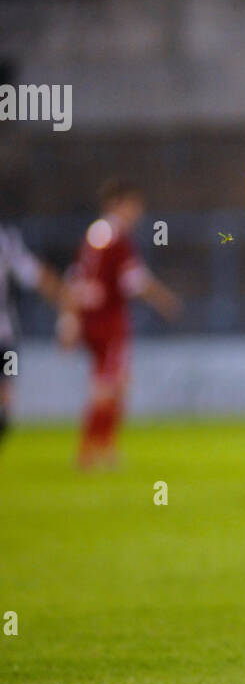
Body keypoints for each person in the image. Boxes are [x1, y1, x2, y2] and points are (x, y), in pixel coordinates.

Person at [60, 180, 181, 468]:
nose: (137, 212)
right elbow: (135, 281)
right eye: (133, 205)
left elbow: (75, 277)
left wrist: (70, 317)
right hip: (108, 320)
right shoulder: (116, 238)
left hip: (91, 317)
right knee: (110, 383)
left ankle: (102, 447)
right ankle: (93, 449)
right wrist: (165, 300)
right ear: (117, 204)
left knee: (112, 381)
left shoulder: (95, 234)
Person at [0, 221, 62, 448]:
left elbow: (35, 275)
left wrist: (65, 303)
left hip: (5, 336)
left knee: (6, 398)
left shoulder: (5, 240)